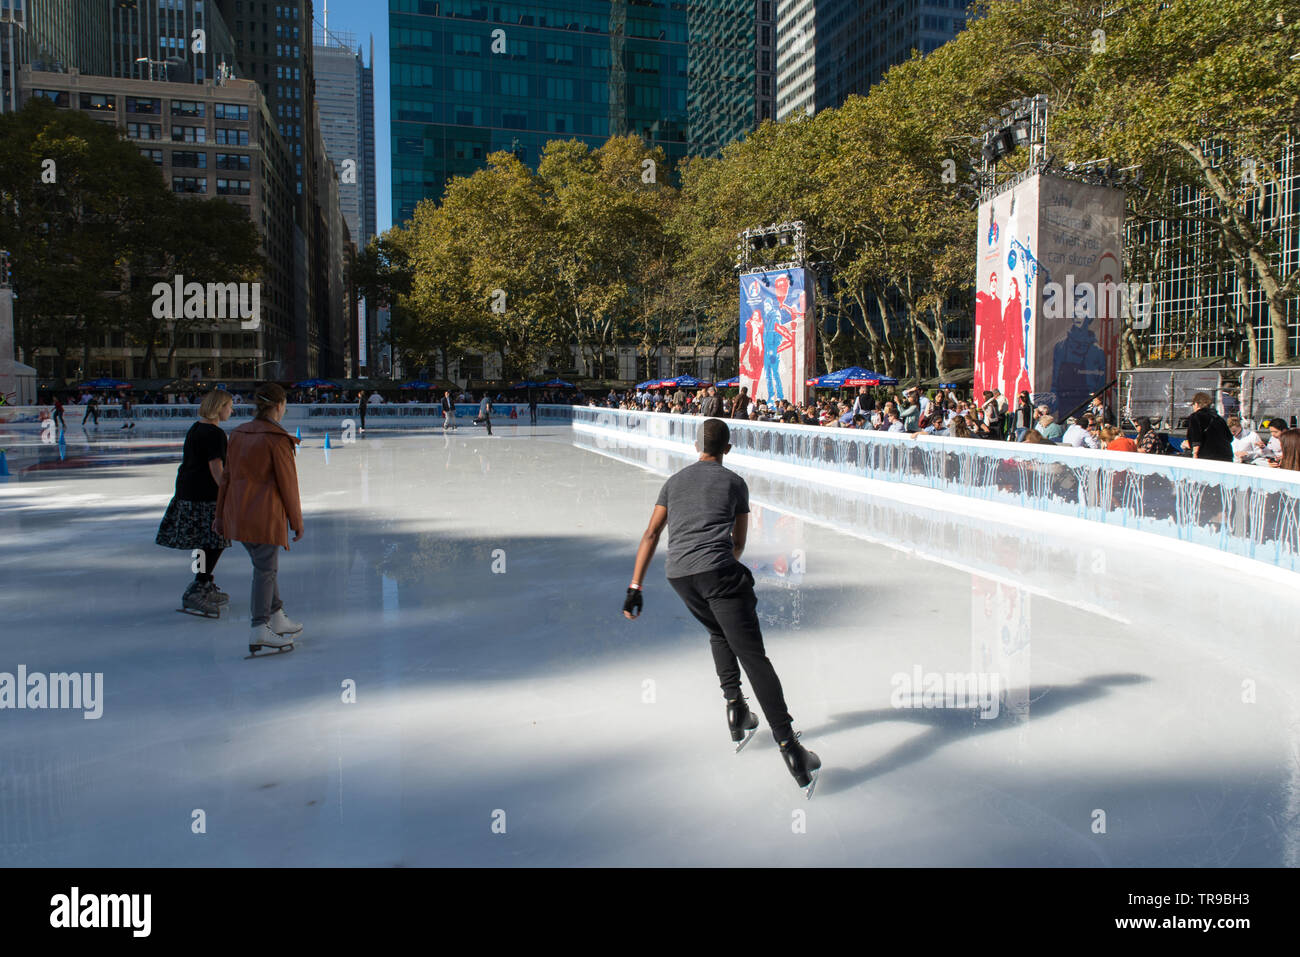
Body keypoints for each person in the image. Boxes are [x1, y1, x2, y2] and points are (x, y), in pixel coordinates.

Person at [622, 418, 819, 793]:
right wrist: (721, 565)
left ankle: (736, 710)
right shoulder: (735, 483)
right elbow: (738, 543)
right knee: (754, 657)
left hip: (678, 576)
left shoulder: (673, 481)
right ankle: (790, 748)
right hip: (718, 572)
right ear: (727, 449)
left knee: (717, 631)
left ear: (696, 446)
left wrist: (635, 586)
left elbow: (651, 533)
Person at [215, 383, 304, 655]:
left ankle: (276, 616)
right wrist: (296, 522)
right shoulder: (276, 439)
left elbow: (226, 478)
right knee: (265, 569)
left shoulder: (238, 434)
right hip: (264, 514)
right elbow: (288, 485)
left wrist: (220, 515)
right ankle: (259, 627)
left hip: (237, 513)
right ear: (279, 406)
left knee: (265, 565)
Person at [156, 389, 235, 617]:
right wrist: (228, 491)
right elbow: (215, 468)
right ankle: (198, 586)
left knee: (203, 542)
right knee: (216, 540)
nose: (231, 410)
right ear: (219, 407)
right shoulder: (214, 433)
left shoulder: (196, 428)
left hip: (188, 491)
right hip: (205, 495)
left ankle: (202, 582)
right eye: (229, 406)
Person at [1185, 392, 1233, 462]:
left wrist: (1195, 455)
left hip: (1207, 456)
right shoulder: (1219, 418)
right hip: (1226, 455)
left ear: (1196, 404)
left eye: (1193, 405)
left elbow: (1196, 439)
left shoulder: (1196, 416)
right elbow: (1230, 438)